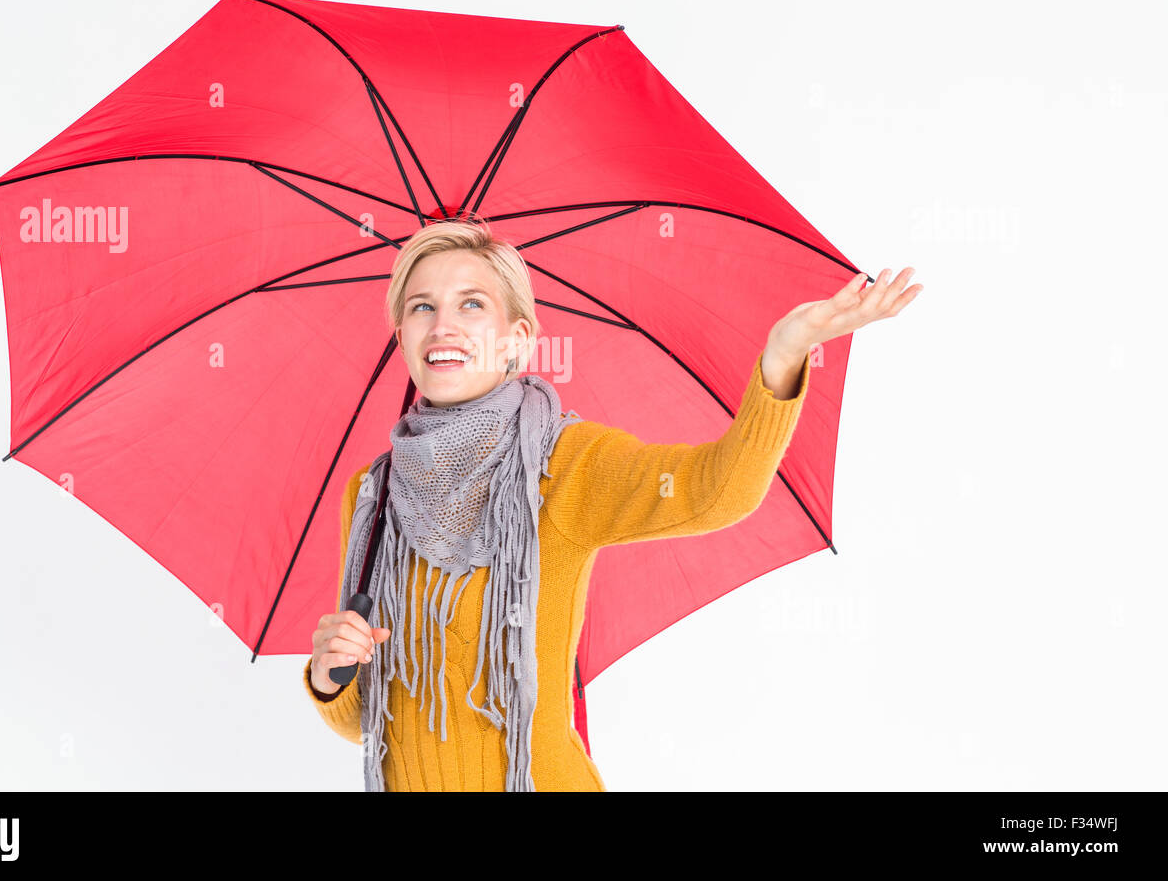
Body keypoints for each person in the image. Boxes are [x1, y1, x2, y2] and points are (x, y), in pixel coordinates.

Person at [303, 216, 920, 791]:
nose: (444, 325)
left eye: (472, 303)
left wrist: (784, 354)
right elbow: (368, 720)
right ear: (403, 334)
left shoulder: (564, 462)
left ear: (517, 339)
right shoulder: (374, 494)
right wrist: (331, 675)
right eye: (422, 307)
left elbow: (717, 490)